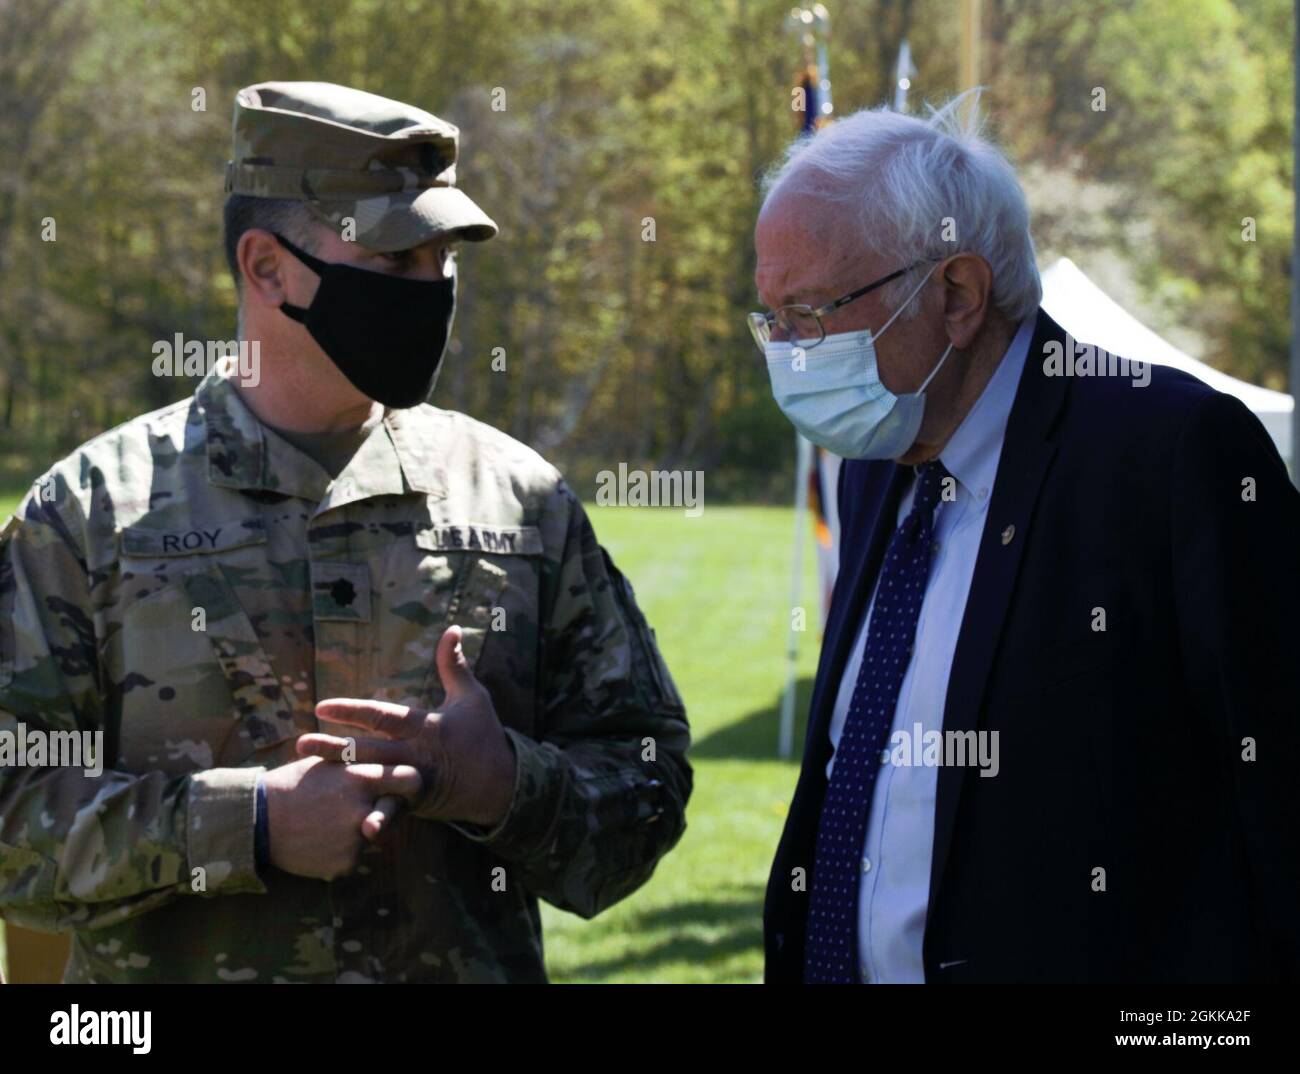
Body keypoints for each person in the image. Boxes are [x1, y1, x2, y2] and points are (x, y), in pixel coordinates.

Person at [0, 81, 691, 983]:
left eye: (443, 258)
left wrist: (500, 786)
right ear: (267, 267)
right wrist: (245, 824)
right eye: (397, 258)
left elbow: (648, 784)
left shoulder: (522, 503)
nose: (433, 287)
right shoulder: (90, 516)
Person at [754, 94, 1299, 983]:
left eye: (810, 315)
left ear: (958, 294)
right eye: (770, 318)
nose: (785, 351)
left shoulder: (1171, 457)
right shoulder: (877, 459)